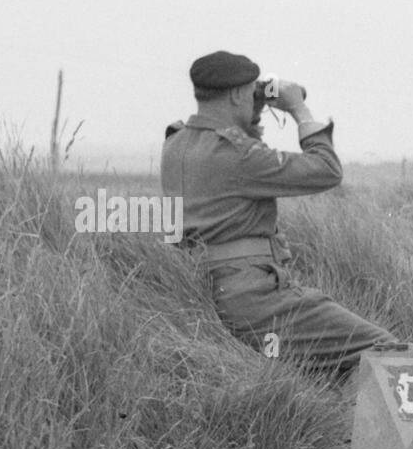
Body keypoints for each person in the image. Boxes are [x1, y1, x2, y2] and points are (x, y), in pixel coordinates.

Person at [160, 50, 393, 380]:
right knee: (385, 349)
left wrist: (250, 115)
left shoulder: (176, 142)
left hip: (207, 288)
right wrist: (299, 109)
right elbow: (327, 171)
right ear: (240, 93)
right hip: (253, 298)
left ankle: (341, 426)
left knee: (323, 371)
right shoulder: (237, 153)